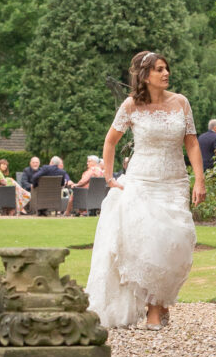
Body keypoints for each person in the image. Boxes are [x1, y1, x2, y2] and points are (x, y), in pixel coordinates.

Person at [86, 50, 207, 330]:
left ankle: (161, 301)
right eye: (159, 69)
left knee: (175, 240)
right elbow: (110, 141)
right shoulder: (131, 105)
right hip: (141, 181)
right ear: (145, 76)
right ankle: (154, 309)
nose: (166, 74)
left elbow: (191, 143)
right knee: (150, 243)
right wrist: (108, 176)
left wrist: (199, 179)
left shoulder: (181, 103)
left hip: (174, 182)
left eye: (167, 69)